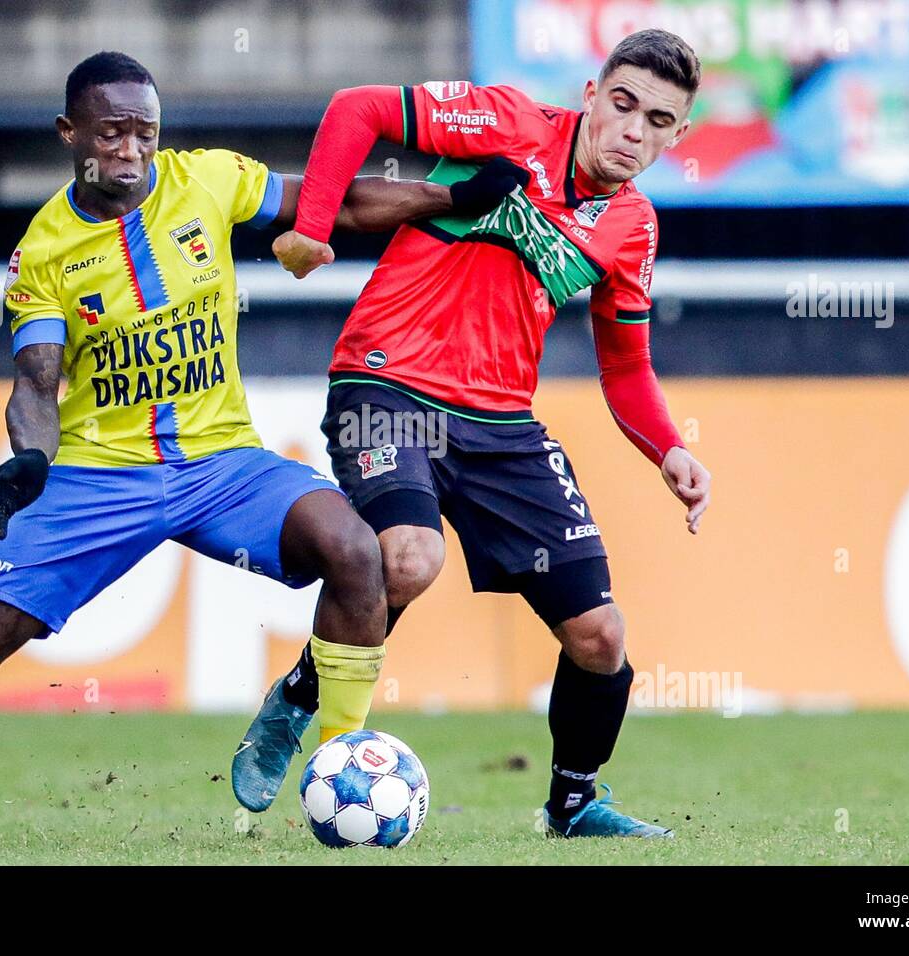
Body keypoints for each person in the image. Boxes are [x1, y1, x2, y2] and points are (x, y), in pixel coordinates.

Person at [0, 51, 521, 845]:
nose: (130, 150)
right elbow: (35, 383)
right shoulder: (43, 252)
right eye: (112, 133)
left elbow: (332, 206)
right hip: (101, 474)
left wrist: (450, 196)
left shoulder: (210, 180)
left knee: (357, 552)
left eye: (144, 133)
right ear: (70, 133)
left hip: (222, 462)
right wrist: (29, 458)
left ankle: (338, 757)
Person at [235, 30, 713, 838]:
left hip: (501, 424)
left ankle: (572, 804)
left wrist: (668, 448)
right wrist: (313, 225)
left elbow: (625, 364)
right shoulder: (508, 122)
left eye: (657, 120)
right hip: (387, 384)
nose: (633, 130)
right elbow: (360, 109)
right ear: (593, 96)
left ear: (676, 136)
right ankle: (300, 700)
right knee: (409, 558)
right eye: (623, 104)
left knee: (600, 636)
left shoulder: (631, 226)